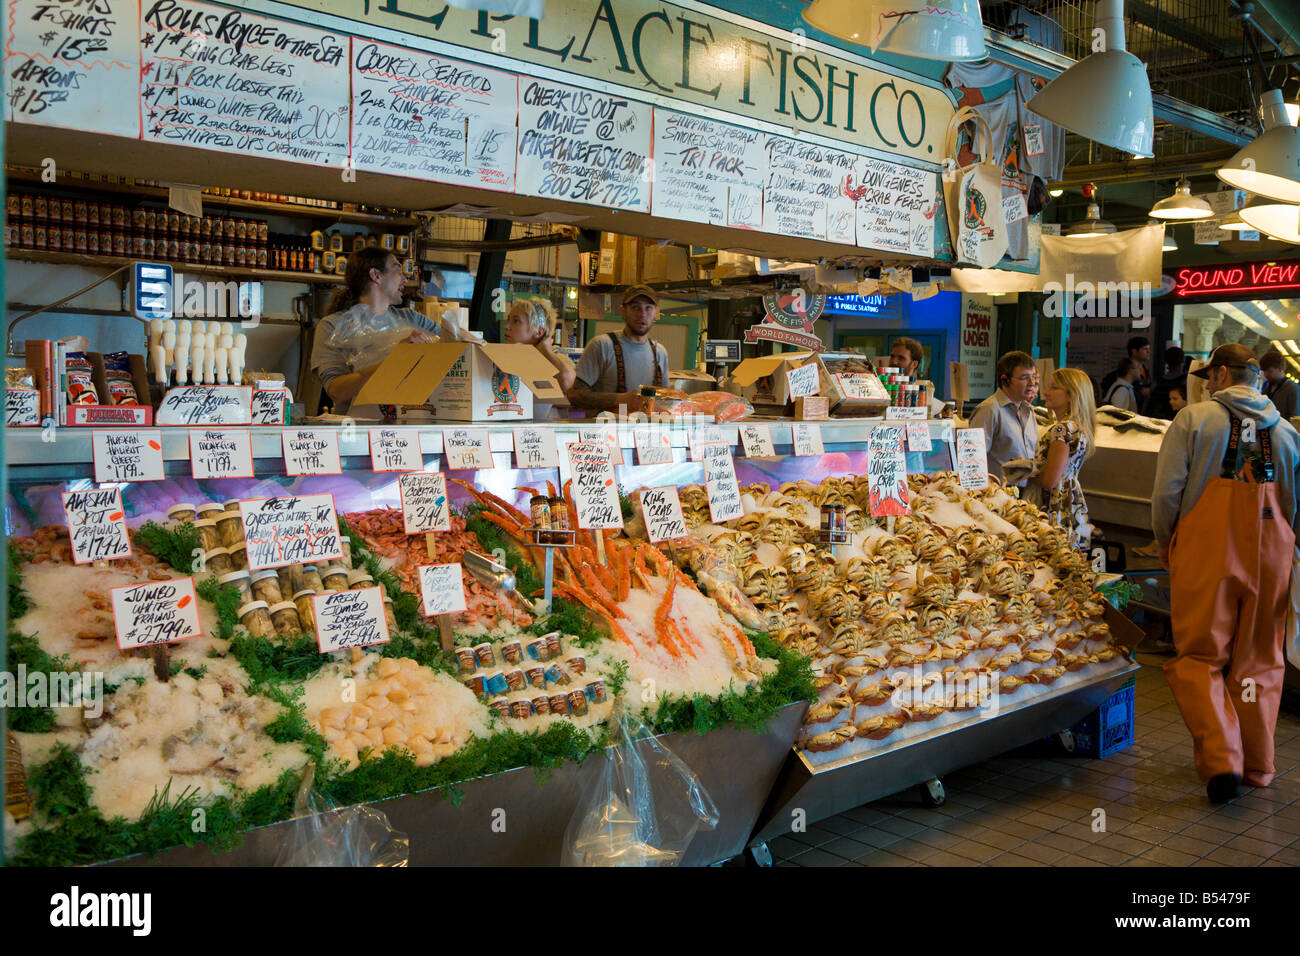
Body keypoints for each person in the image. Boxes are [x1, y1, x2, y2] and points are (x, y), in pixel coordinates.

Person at [1152, 343, 1300, 803]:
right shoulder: (1287, 432)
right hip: (1272, 551)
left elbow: (1167, 491)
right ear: (1258, 379)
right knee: (1259, 660)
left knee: (1200, 656)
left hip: (1208, 550)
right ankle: (1257, 764)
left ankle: (1222, 761)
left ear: (1218, 375)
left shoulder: (1194, 420)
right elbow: (1294, 502)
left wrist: (1163, 539)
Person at [310, 248, 456, 417]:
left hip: (410, 424)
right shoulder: (333, 326)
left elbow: (453, 347)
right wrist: (393, 360)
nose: (404, 279)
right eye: (397, 271)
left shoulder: (413, 319)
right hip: (361, 431)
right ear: (376, 275)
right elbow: (336, 391)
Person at [1022, 368, 1096, 550]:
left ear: (1072, 395)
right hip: (1071, 503)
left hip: (1052, 506)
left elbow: (1049, 480)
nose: (1046, 392)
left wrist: (1023, 472)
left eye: (1054, 388)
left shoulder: (1062, 429)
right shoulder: (1079, 427)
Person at [570, 285, 670, 414]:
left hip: (647, 433)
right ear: (623, 310)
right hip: (605, 432)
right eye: (635, 307)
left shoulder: (660, 353)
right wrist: (621, 399)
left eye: (648, 308)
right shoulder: (602, 345)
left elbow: (666, 402)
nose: (642, 314)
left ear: (656, 312)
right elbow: (575, 396)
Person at [969, 350, 1039, 485]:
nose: (1032, 383)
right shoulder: (989, 410)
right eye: (1024, 378)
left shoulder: (1029, 411)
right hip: (998, 494)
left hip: (1026, 495)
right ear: (1005, 380)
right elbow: (972, 461)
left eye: (1034, 377)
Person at [503, 297, 576, 419]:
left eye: (516, 321)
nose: (507, 326)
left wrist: (546, 350)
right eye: (508, 320)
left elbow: (567, 379)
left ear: (538, 332)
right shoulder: (504, 359)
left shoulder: (558, 361)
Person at [888, 336, 950, 417]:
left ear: (914, 364)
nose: (894, 362)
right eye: (892, 356)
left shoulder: (923, 398)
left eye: (901, 358)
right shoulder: (881, 390)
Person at [1100, 336, 1152, 409]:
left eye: (1149, 349)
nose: (1149, 352)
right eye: (1145, 349)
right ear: (1134, 351)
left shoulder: (1146, 373)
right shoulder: (1116, 379)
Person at [1146, 345, 1187, 419]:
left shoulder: (1157, 382)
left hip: (1157, 419)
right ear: (1182, 361)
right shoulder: (1185, 382)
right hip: (1177, 419)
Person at [1260, 349, 1298, 421]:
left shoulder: (1293, 389)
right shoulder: (1266, 389)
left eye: (1269, 371)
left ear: (1281, 368)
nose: (1265, 375)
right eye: (1264, 371)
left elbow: (1295, 419)